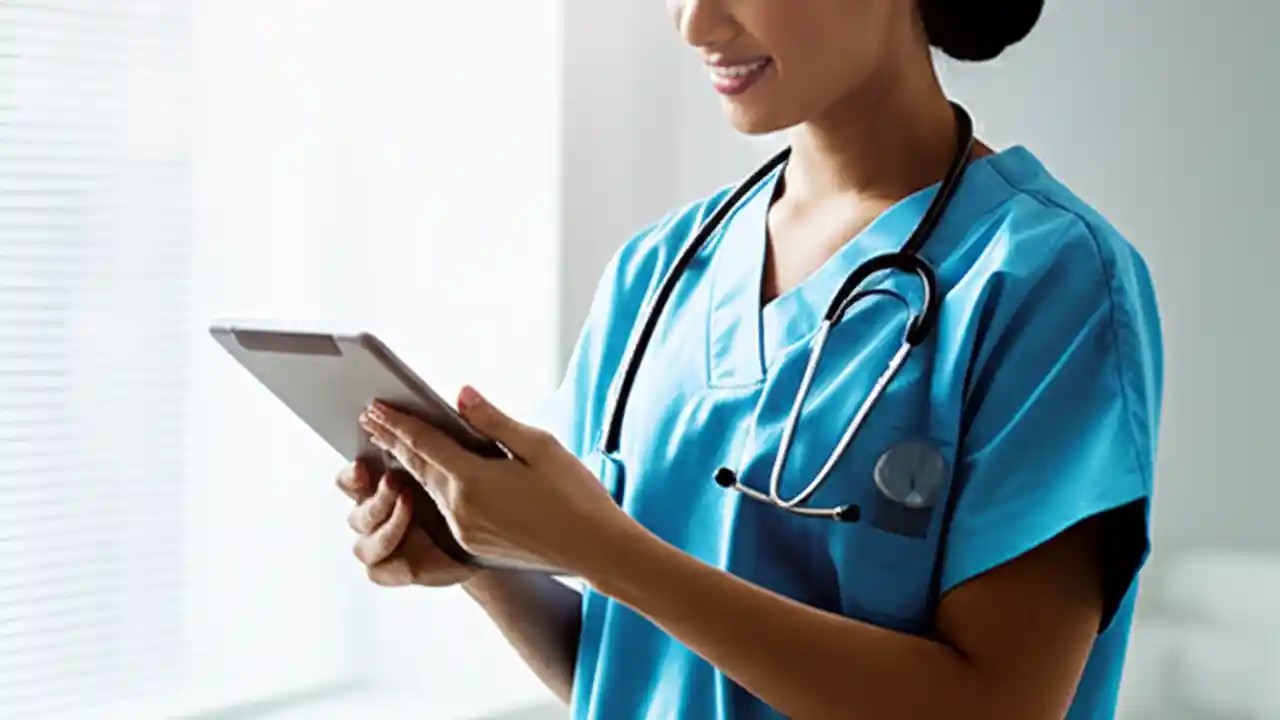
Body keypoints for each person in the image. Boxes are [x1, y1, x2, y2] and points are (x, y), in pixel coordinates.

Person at [337, 0, 1162, 717]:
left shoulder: (1044, 278)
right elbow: (638, 673)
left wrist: (604, 552)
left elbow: (998, 707)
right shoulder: (659, 271)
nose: (696, 22)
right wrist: (482, 557)